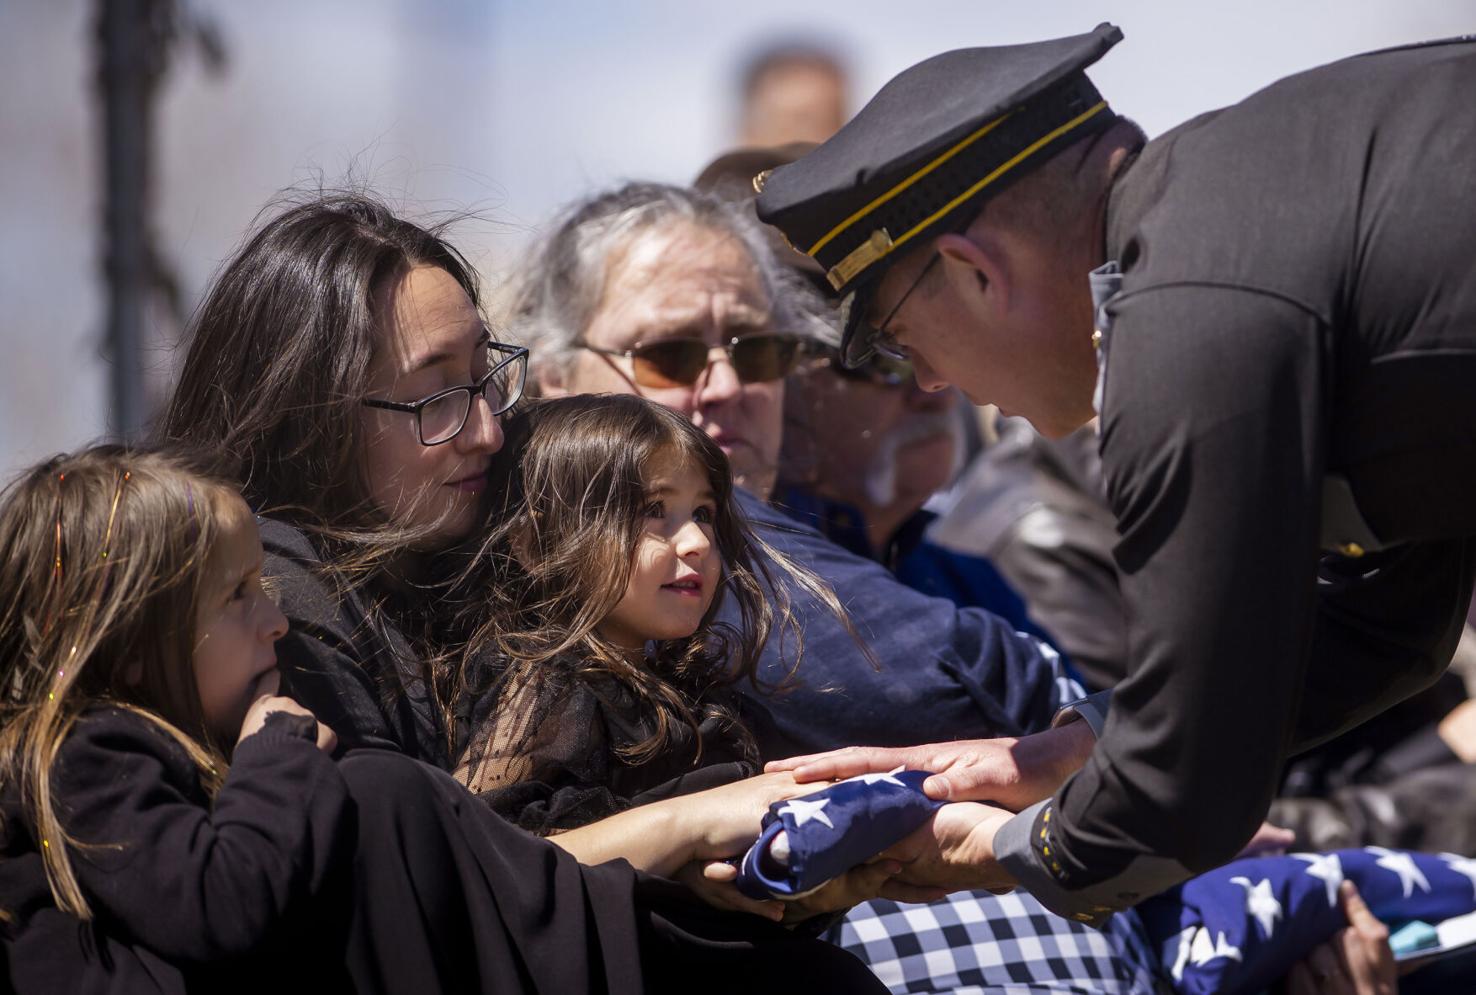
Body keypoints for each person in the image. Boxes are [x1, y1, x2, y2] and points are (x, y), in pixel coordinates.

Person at [754, 21, 1476, 932]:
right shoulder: (1243, 207)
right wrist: (1072, 745)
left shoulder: (1181, 323)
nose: (932, 381)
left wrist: (993, 851)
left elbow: (1184, 783)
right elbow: (1385, 623)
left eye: (901, 341)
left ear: (972, 271)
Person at [508, 180, 1072, 761]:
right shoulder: (531, 570)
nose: (727, 386)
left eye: (759, 351)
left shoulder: (892, 545)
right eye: (667, 356)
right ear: (553, 377)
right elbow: (964, 693)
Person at [457, 393, 917, 923]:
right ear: (537, 544)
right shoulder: (547, 685)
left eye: (703, 513)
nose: (697, 540)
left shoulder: (701, 700)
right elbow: (483, 866)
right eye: (653, 511)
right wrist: (685, 832)